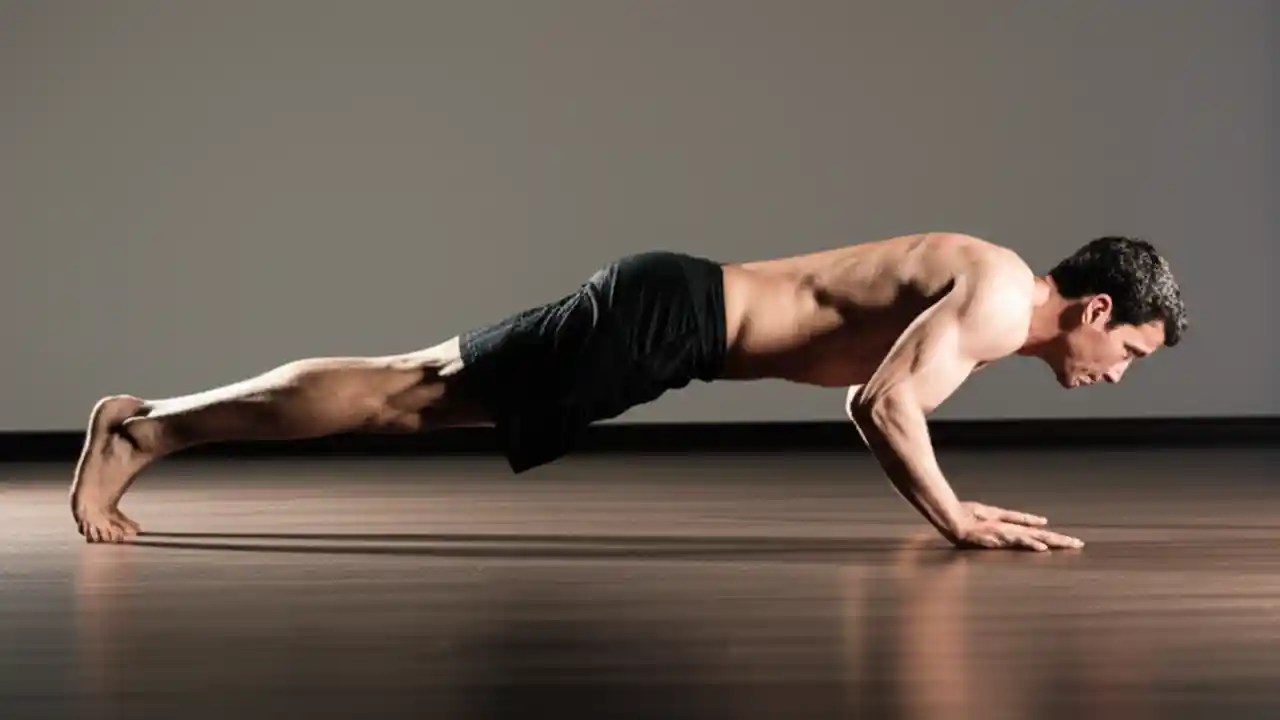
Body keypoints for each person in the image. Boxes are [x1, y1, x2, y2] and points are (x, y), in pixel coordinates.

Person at [70, 232, 1187, 550]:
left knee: (406, 385)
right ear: (1093, 309)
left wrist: (951, 503)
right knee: (401, 395)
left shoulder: (987, 283)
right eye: (1127, 353)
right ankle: (146, 429)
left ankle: (152, 426)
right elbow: (879, 404)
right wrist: (951, 518)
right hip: (670, 320)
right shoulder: (996, 298)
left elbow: (885, 390)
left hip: (671, 319)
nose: (1112, 375)